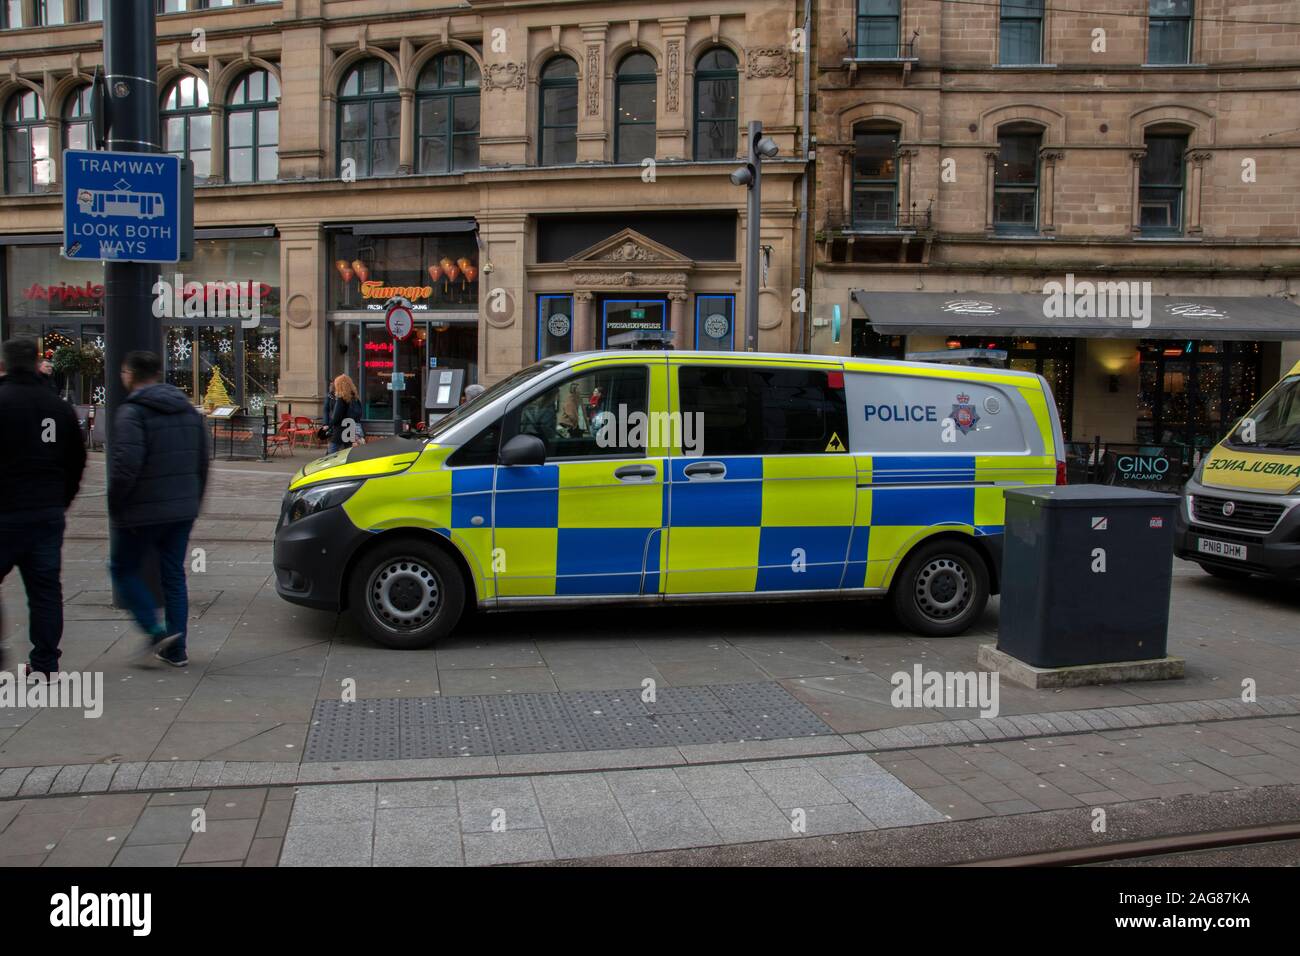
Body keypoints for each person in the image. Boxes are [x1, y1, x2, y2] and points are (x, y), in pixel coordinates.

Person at [108, 350, 209, 667]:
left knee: (123, 569)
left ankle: (154, 631)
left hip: (142, 510)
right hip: (182, 509)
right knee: (174, 576)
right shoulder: (188, 411)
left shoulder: (132, 413)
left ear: (129, 374)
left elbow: (126, 468)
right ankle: (176, 649)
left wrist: (116, 505)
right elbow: (202, 462)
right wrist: (194, 501)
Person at [0, 338, 86, 679]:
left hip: (5, 512)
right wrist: (62, 499)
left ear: (6, 364)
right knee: (45, 590)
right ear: (37, 362)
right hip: (47, 512)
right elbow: (76, 460)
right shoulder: (57, 405)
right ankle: (45, 663)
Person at [328, 374, 363, 454]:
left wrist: (329, 426)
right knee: (348, 455)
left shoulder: (341, 399)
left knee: (331, 455)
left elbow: (336, 417)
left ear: (339, 385)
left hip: (340, 431)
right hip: (350, 430)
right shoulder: (355, 398)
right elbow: (359, 414)